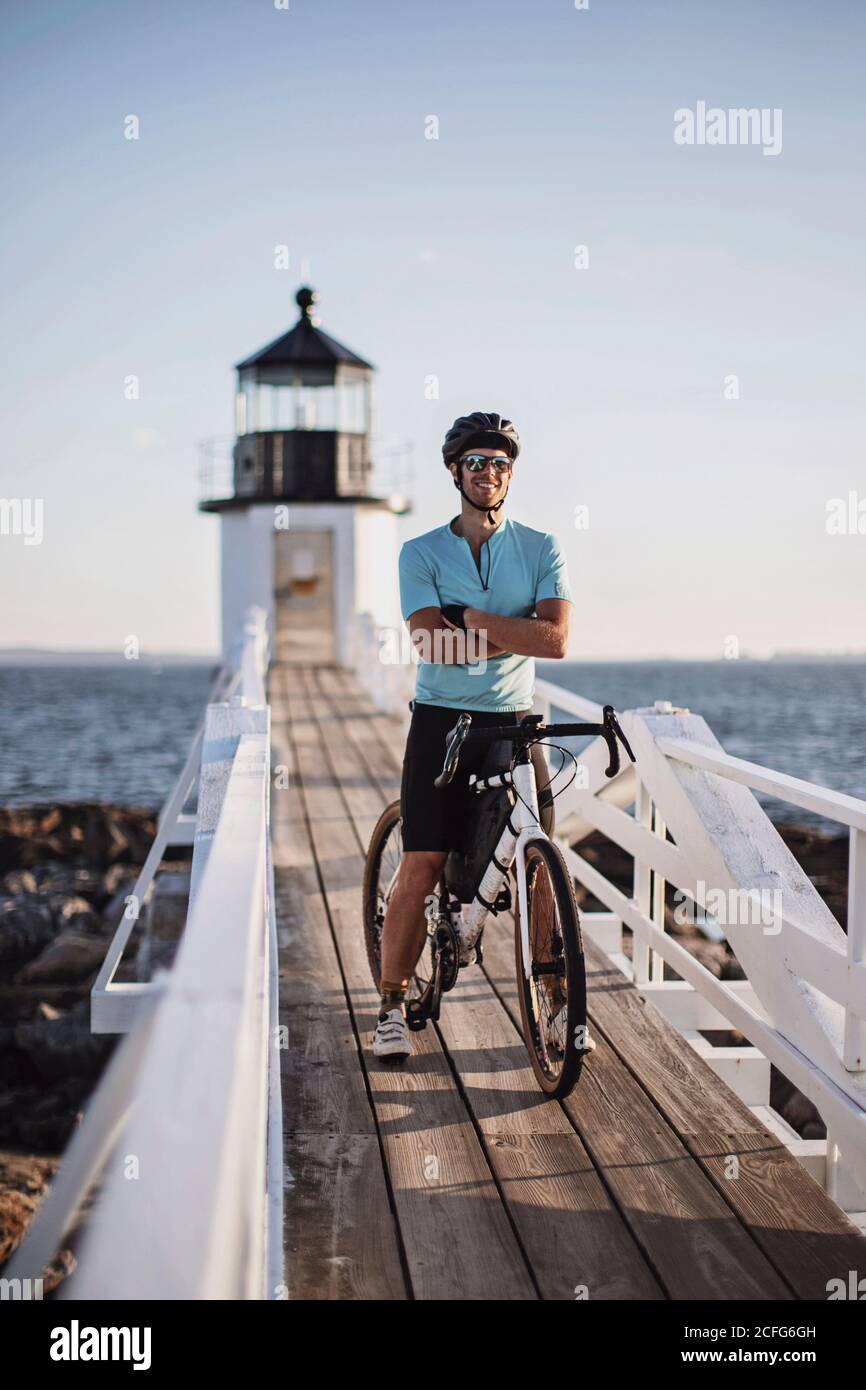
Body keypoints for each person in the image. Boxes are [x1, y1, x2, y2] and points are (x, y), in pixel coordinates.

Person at [373, 411, 574, 1060]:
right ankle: (391, 1004)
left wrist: (471, 618)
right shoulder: (420, 552)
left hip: (513, 724)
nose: (489, 473)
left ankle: (560, 1005)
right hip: (441, 723)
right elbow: (431, 643)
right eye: (477, 463)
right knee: (422, 864)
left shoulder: (540, 547)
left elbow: (556, 641)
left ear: (510, 473)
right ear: (455, 472)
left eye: (500, 464)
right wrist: (511, 630)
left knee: (539, 864)